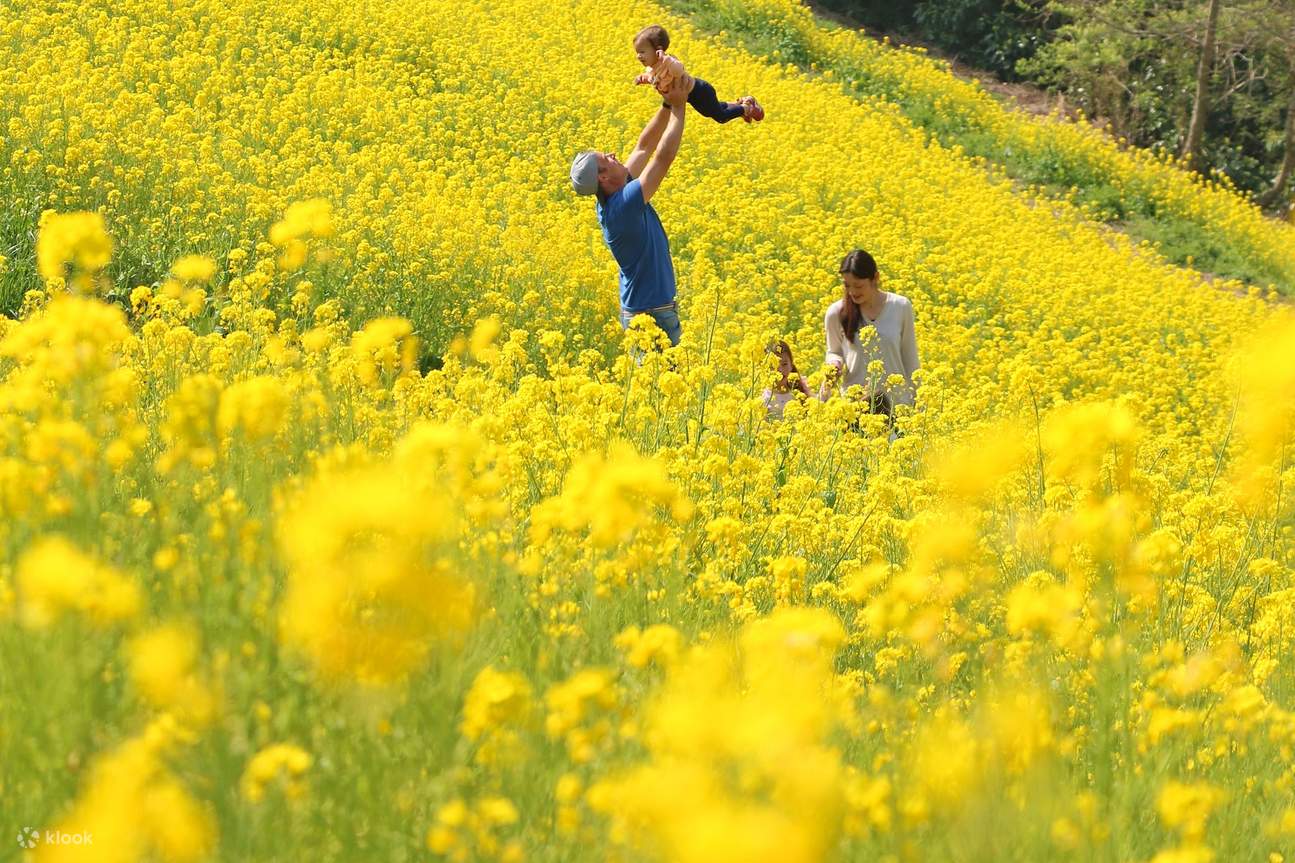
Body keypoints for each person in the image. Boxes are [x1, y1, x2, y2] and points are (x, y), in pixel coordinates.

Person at [570, 77, 690, 347]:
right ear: (602, 177)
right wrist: (680, 109)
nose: (613, 155)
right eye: (606, 158)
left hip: (647, 309)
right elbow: (662, 159)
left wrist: (667, 103)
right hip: (649, 314)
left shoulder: (618, 189)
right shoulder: (622, 207)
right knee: (666, 387)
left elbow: (644, 146)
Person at [822, 249, 920, 419]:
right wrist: (834, 364)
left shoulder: (901, 307)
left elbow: (910, 357)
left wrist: (920, 401)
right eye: (847, 285)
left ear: (875, 278)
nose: (852, 291)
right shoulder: (836, 313)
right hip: (856, 409)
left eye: (858, 285)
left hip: (898, 407)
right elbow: (834, 351)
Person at [633, 25, 764, 124]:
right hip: (693, 97)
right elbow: (652, 79)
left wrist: (665, 59)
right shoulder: (652, 69)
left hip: (700, 91)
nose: (639, 56)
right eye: (637, 52)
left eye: (642, 52)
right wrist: (642, 79)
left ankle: (746, 108)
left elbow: (678, 70)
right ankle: (740, 103)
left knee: (721, 117)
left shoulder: (669, 62)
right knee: (713, 110)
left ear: (658, 50)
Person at [763, 340, 812, 419]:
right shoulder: (764, 398)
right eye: (773, 366)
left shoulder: (802, 390)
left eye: (784, 364)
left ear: (791, 365)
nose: (780, 370)